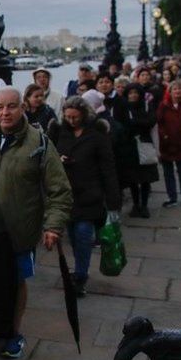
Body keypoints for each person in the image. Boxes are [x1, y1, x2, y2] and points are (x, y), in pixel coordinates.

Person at [0, 87, 72, 359]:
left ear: (22, 108)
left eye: (11, 106)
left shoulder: (39, 144)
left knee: (16, 281)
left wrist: (53, 226)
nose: (4, 113)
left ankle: (12, 333)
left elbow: (59, 190)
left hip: (18, 231)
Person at [48, 98, 122, 296]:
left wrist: (113, 201)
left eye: (75, 117)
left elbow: (108, 168)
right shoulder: (58, 132)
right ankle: (80, 268)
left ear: (83, 115)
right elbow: (48, 157)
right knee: (72, 235)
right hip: (66, 195)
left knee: (82, 234)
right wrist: (59, 159)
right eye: (68, 116)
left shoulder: (97, 135)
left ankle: (81, 275)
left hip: (90, 194)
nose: (71, 120)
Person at [113, 84, 160, 218]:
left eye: (135, 93)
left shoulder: (145, 106)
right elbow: (120, 125)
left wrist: (135, 122)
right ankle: (136, 204)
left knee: (145, 179)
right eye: (130, 93)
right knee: (132, 179)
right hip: (129, 147)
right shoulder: (123, 107)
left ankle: (144, 205)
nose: (133, 96)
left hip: (143, 145)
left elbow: (150, 121)